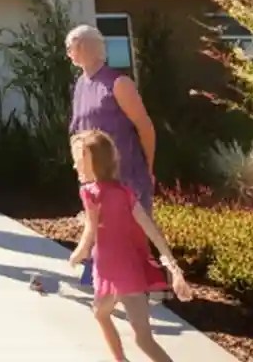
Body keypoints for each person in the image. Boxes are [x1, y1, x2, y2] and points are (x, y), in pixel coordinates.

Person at [68, 130, 192, 362]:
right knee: (111, 318)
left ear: (91, 161)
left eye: (78, 161)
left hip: (114, 271)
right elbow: (150, 229)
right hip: (126, 273)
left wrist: (79, 252)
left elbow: (90, 232)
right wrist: (172, 266)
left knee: (130, 331)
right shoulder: (125, 193)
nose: (76, 167)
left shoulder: (89, 193)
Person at [66, 24, 159, 288]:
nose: (68, 53)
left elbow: (145, 127)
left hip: (126, 177)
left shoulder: (119, 83)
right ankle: (102, 287)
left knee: (132, 237)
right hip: (93, 179)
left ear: (83, 46)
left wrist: (148, 168)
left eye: (70, 47)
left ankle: (142, 291)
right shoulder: (80, 86)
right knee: (100, 235)